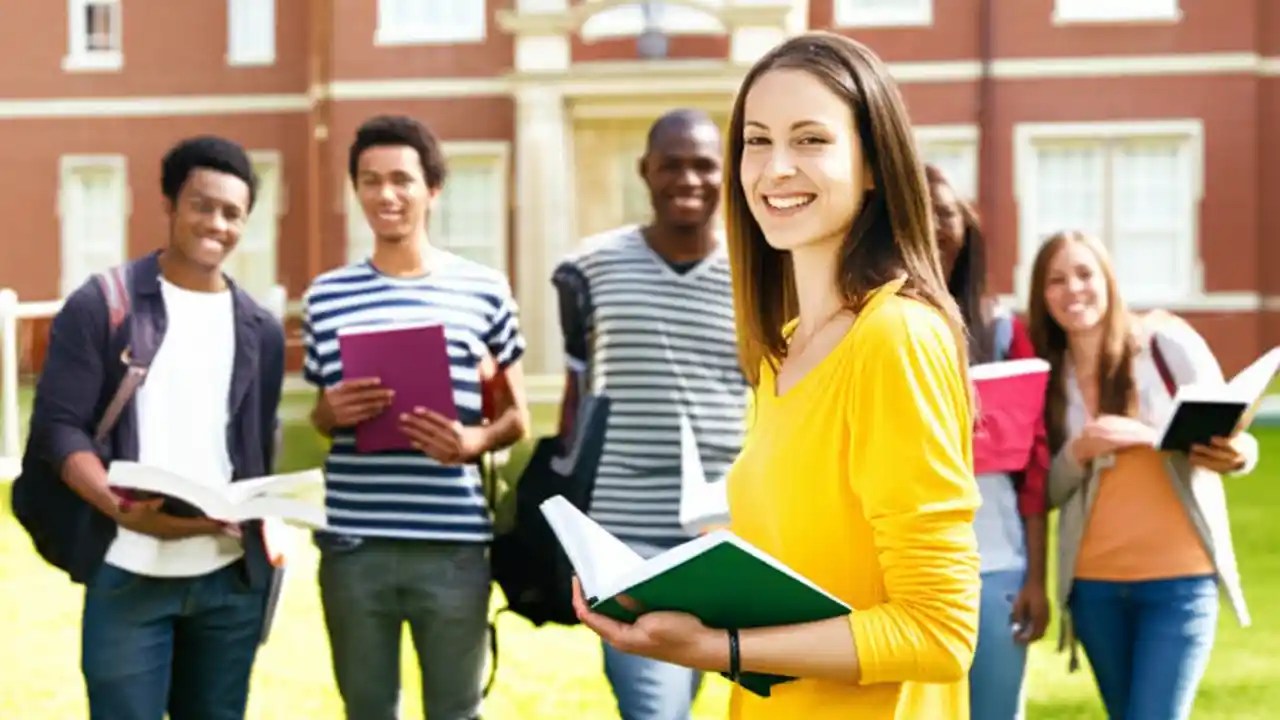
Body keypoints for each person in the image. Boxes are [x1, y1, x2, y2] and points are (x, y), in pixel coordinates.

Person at [572, 32, 981, 719]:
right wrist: (690, 582)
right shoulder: (782, 351)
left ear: (875, 163)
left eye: (811, 140)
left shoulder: (896, 337)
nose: (775, 168)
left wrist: (718, 650)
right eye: (756, 141)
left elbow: (939, 631)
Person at [24, 136, 285, 719]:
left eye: (232, 213)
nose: (215, 223)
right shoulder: (104, 305)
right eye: (202, 204)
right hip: (128, 572)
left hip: (227, 586)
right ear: (170, 205)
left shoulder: (260, 330)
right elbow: (59, 429)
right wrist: (115, 504)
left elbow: (253, 447)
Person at [301, 114, 530, 720]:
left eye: (401, 179)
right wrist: (330, 410)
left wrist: (471, 439)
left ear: (433, 190)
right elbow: (319, 417)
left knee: (456, 713)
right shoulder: (326, 297)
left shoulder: (484, 290)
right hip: (353, 545)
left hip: (453, 546)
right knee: (367, 711)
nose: (386, 195)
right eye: (370, 181)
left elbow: (517, 418)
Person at [551, 107, 748, 719]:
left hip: (728, 531)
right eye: (671, 165)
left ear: (727, 173)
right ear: (645, 171)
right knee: (655, 710)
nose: (687, 179)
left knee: (690, 694)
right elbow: (575, 388)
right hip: (624, 532)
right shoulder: (591, 267)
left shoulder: (761, 274)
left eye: (703, 165)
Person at [1028, 230, 1255, 720]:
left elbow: (1233, 431)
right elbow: (1042, 491)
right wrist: (1079, 450)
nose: (1073, 290)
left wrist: (1237, 453)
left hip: (1179, 585)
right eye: (1057, 280)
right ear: (1041, 296)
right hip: (1095, 590)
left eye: (1085, 274)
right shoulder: (1048, 377)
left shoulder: (1164, 345)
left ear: (1107, 279)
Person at [925, 164, 1050, 720]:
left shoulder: (1003, 332)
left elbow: (1036, 466)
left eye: (944, 213)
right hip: (912, 574)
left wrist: (1036, 578)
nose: (933, 227)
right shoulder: (872, 327)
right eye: (917, 214)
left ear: (966, 226)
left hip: (996, 566)